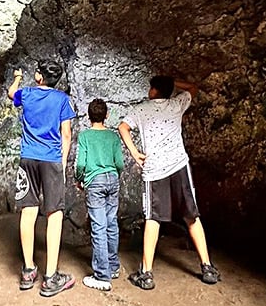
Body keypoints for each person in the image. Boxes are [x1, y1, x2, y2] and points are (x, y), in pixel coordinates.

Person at [118, 75, 220, 290]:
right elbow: (193, 86)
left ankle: (146, 273)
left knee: (153, 218)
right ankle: (207, 266)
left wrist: (136, 153)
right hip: (178, 165)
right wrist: (174, 82)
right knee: (191, 215)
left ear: (154, 90)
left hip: (155, 169)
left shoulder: (142, 109)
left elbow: (123, 127)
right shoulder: (177, 104)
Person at [7, 58, 76, 297]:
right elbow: (66, 135)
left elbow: (11, 93)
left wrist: (17, 77)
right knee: (54, 213)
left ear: (38, 77)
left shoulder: (25, 94)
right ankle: (50, 276)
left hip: (28, 158)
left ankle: (27, 271)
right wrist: (63, 164)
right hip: (51, 159)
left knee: (28, 210)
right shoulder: (62, 100)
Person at [75, 98, 124, 291]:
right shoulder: (113, 137)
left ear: (89, 116)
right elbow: (119, 163)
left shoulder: (85, 136)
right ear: (106, 115)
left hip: (94, 182)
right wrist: (113, 175)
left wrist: (80, 178)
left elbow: (80, 164)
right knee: (111, 224)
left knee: (98, 227)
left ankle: (102, 276)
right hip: (112, 179)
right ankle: (113, 266)